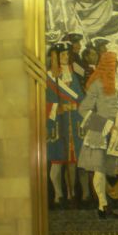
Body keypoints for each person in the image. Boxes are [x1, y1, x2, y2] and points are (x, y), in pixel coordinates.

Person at [77, 51, 118, 219]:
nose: (116, 66)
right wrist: (106, 125)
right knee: (99, 170)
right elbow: (83, 109)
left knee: (109, 170)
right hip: (99, 133)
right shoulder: (97, 84)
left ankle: (106, 204)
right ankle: (102, 206)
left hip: (117, 133)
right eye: (113, 64)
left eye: (116, 64)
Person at [46, 41, 84, 207]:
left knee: (72, 162)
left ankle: (71, 193)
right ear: (55, 57)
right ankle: (58, 195)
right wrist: (57, 108)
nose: (65, 57)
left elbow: (81, 98)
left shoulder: (74, 74)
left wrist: (78, 106)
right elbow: (45, 102)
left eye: (67, 54)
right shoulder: (49, 76)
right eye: (62, 54)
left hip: (74, 122)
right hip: (57, 123)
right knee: (57, 161)